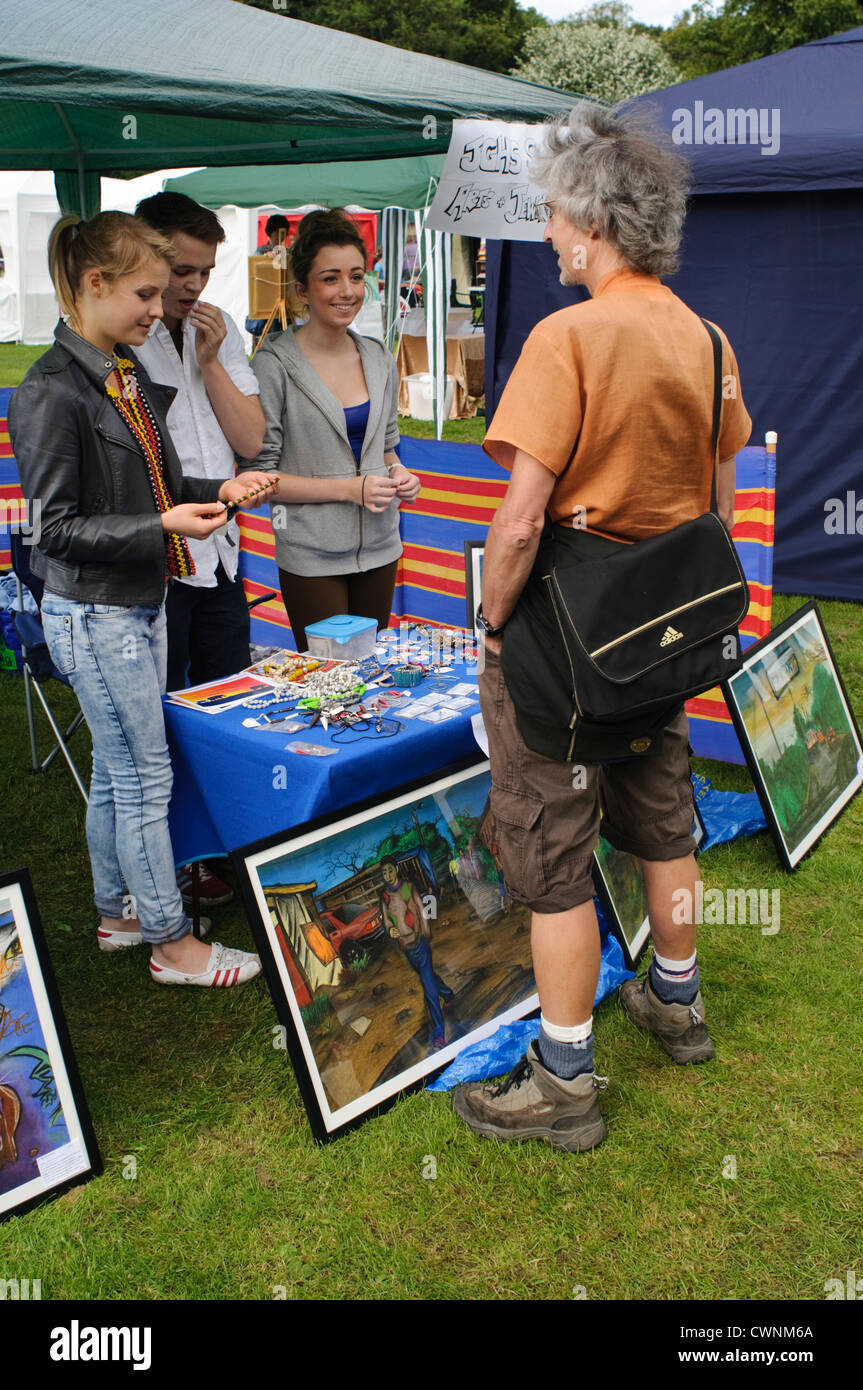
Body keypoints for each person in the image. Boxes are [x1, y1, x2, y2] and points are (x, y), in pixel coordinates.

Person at [451, 104, 752, 1151]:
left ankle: (563, 1074)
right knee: (664, 819)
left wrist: (489, 622)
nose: (545, 236)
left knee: (552, 854)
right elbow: (714, 502)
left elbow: (520, 518)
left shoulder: (566, 335)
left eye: (549, 216)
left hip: (563, 632)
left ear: (590, 222)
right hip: (662, 625)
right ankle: (675, 999)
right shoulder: (704, 338)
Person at [8, 211, 275, 986]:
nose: (160, 310)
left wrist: (215, 487)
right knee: (143, 774)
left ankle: (119, 912)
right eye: (146, 293)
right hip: (97, 611)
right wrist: (160, 522)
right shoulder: (51, 392)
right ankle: (170, 941)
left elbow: (156, 487)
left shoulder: (121, 375)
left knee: (120, 767)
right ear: (94, 286)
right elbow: (55, 530)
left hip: (132, 601)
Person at [134, 191, 266, 911]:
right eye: (180, 269)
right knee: (159, 713)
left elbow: (250, 441)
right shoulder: (127, 332)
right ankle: (168, 861)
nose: (191, 286)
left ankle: (224, 847)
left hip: (221, 551)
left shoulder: (214, 332)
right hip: (157, 556)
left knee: (224, 699)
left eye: (205, 271)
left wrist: (212, 359)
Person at [252, 208, 420, 650]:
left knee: (372, 677)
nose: (348, 291)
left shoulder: (378, 356)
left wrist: (398, 473)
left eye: (357, 276)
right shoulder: (274, 365)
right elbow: (262, 479)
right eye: (331, 278)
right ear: (302, 290)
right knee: (331, 684)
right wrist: (351, 489)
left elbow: (386, 447)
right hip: (311, 555)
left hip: (382, 545)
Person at [379, 858, 453, 1050]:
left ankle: (439, 1033)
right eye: (384, 873)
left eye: (389, 870)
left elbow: (421, 909)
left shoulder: (408, 888)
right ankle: (448, 994)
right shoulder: (384, 895)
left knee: (428, 987)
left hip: (419, 941)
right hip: (406, 947)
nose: (387, 875)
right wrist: (390, 930)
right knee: (427, 976)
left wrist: (426, 933)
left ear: (395, 869)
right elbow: (386, 919)